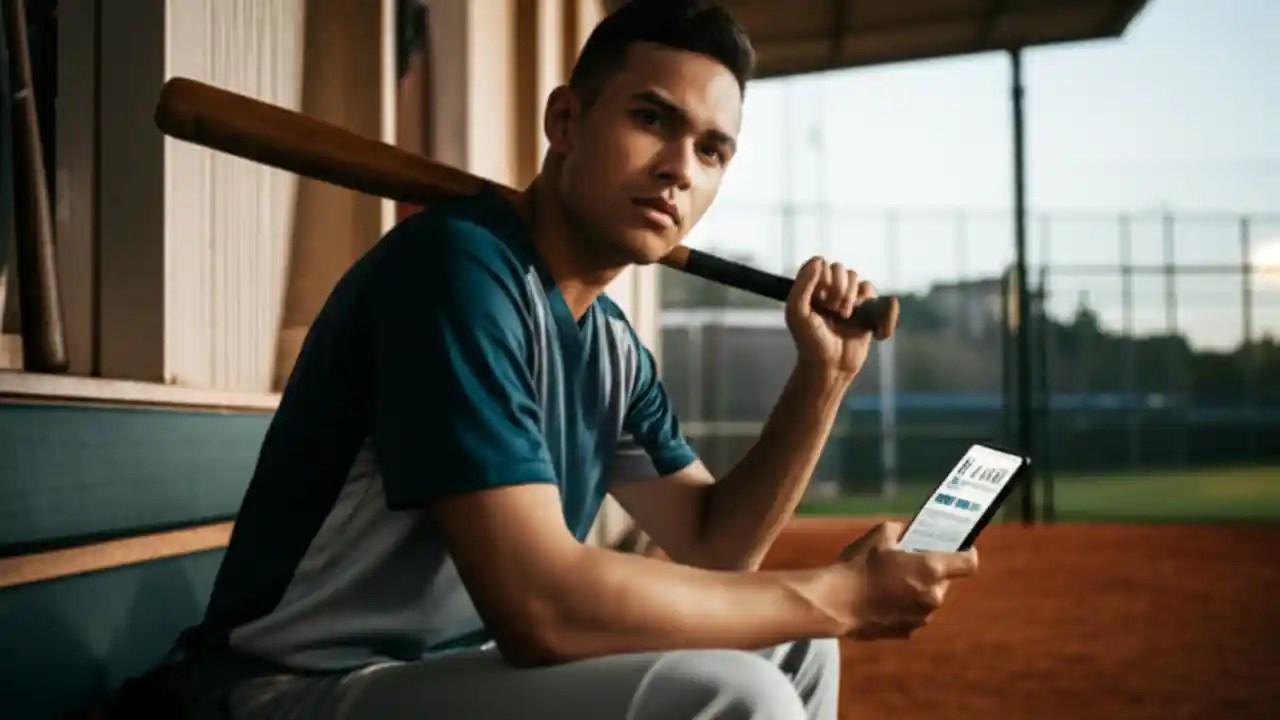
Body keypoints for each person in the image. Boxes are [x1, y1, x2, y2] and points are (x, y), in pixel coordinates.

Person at [121, 1, 979, 718]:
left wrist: (821, 379)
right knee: (730, 693)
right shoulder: (455, 270)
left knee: (798, 650)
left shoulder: (609, 345)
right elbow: (540, 609)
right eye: (652, 119)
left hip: (446, 673)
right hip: (293, 692)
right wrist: (842, 593)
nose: (680, 169)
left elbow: (716, 551)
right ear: (565, 121)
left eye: (712, 150)